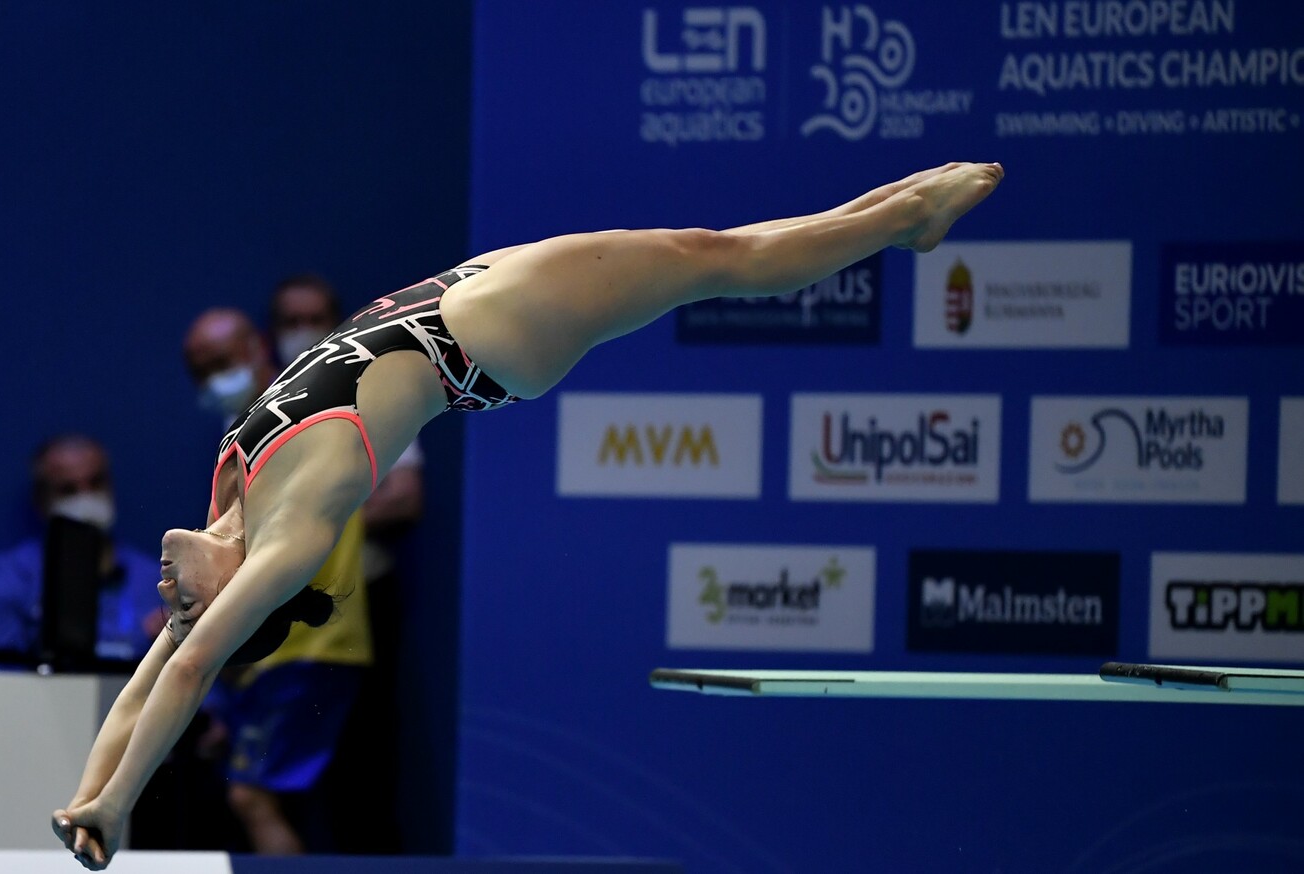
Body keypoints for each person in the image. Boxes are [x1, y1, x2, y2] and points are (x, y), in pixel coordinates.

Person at [52, 160, 1004, 869]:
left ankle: (892, 213)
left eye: (172, 605)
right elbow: (189, 673)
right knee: (710, 261)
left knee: (709, 251)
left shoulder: (225, 493)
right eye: (187, 606)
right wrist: (119, 815)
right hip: (491, 339)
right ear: (236, 593)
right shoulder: (291, 533)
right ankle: (903, 221)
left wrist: (85, 798)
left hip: (449, 298)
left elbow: (144, 685)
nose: (168, 598)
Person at [181, 306, 375, 856]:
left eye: (221, 361)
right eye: (199, 369)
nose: (212, 377)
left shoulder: (309, 405)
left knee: (252, 798)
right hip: (273, 648)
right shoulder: (239, 431)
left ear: (257, 348)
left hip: (312, 643)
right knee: (261, 798)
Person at [270, 272, 425, 853]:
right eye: (291, 321)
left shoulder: (378, 389)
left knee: (364, 771)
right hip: (282, 609)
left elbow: (406, 497)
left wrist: (310, 519)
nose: (303, 333)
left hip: (362, 606)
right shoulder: (269, 402)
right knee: (268, 779)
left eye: (315, 319)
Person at [0, 433, 162, 662]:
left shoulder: (159, 580)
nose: (86, 498)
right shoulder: (4, 581)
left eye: (95, 482)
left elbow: (204, 689)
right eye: (68, 489)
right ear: (41, 500)